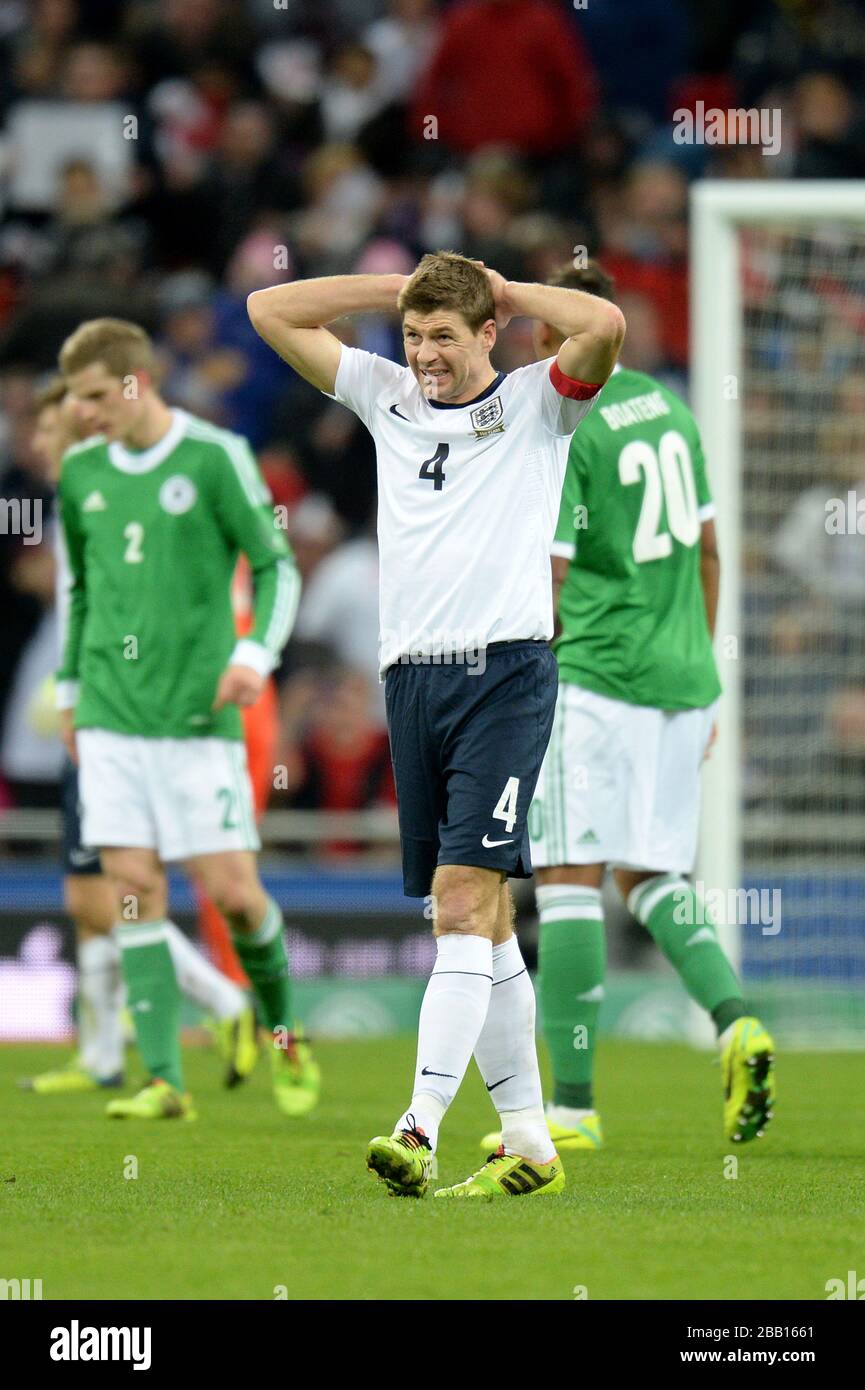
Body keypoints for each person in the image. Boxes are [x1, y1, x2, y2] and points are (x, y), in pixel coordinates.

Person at [249, 250, 624, 1196]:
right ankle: (530, 1137)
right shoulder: (385, 394)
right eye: (414, 337)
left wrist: (502, 290)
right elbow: (269, 309)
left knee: (460, 903)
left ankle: (419, 1126)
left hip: (504, 675)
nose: (423, 354)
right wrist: (392, 293)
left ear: (488, 334)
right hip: (411, 684)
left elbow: (603, 326)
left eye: (444, 336)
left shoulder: (542, 402)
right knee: (480, 921)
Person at [482, 262, 774, 1153]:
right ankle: (735, 1025)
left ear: (544, 336)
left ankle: (569, 1107)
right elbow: (713, 550)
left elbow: (553, 578)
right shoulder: (673, 412)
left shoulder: (568, 429)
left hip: (596, 677)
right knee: (650, 877)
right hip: (683, 683)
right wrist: (700, 662)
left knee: (568, 877)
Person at [55, 320, 318, 1120]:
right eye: (75, 398)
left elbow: (275, 563)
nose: (84, 412)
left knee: (234, 895)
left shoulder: (213, 457)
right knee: (131, 889)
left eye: (96, 396)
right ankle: (164, 1079)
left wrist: (254, 656)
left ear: (137, 382)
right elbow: (85, 591)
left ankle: (283, 1034)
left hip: (196, 718)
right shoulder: (79, 474)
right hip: (108, 713)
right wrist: (70, 691)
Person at [21, 378, 258, 1097]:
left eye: (50, 424)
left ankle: (223, 1001)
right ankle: (98, 1053)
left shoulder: (120, 492)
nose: (38, 440)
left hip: (120, 713)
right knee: (91, 900)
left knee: (104, 897)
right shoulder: (82, 496)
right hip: (89, 709)